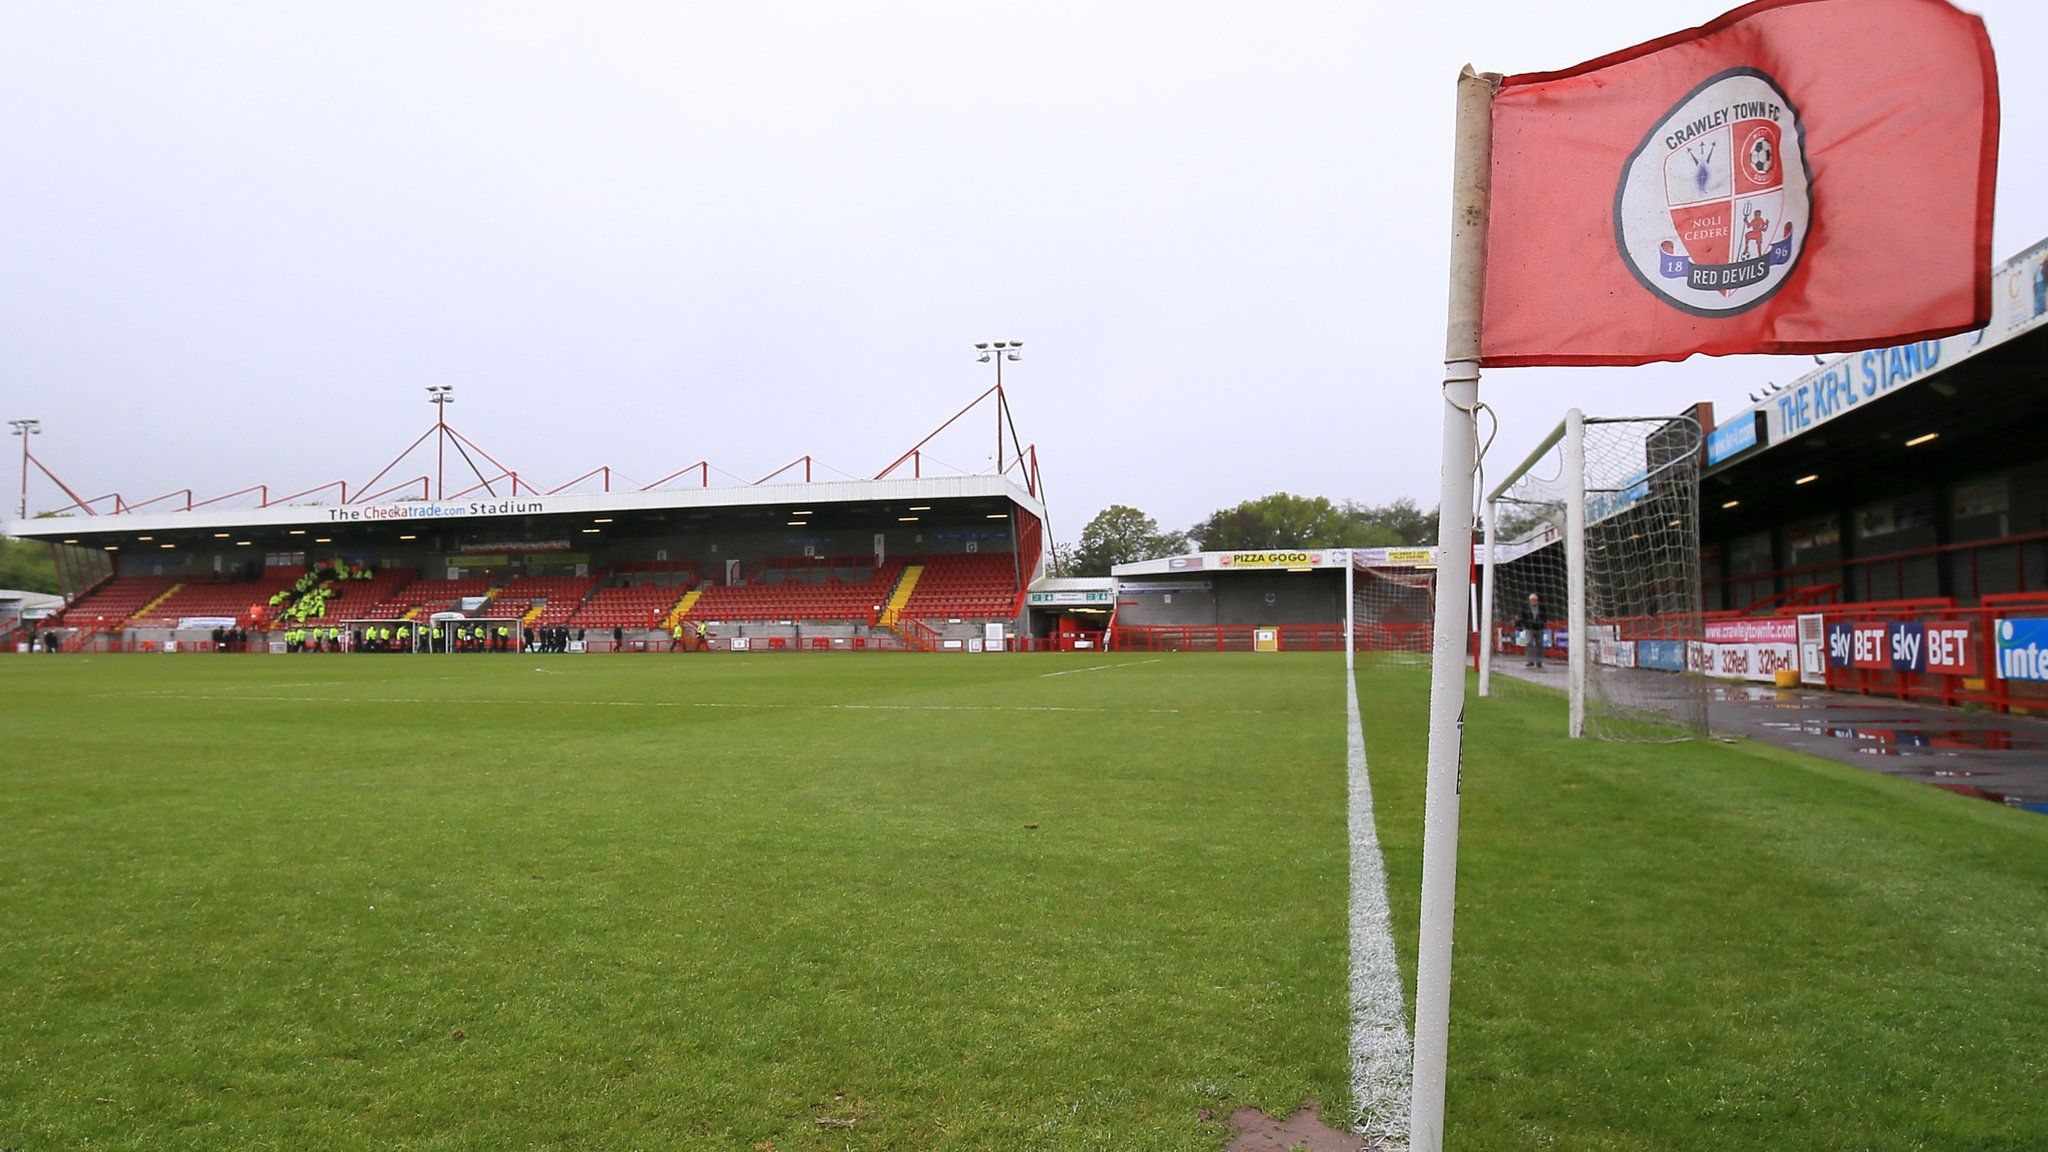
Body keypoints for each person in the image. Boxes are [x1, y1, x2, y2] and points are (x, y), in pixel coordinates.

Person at [1515, 593, 1546, 669]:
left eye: (1535, 600)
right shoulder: (1525, 607)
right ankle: (1530, 661)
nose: (1534, 601)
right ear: (1530, 600)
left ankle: (1539, 661)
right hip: (1529, 628)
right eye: (1532, 600)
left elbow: (1545, 617)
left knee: (1539, 644)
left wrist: (1541, 622)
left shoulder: (1542, 607)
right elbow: (1522, 616)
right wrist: (1522, 624)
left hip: (1539, 628)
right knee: (1529, 643)